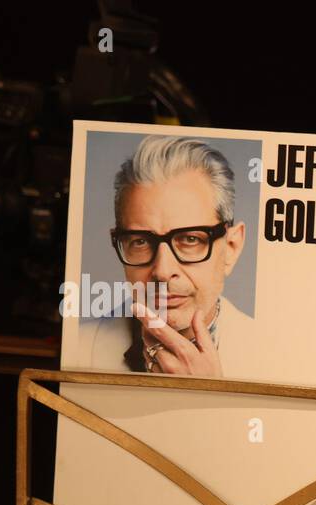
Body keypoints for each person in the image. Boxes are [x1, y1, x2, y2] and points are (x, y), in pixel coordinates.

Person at [81, 135, 256, 376]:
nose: (162, 271)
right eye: (141, 241)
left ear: (232, 247)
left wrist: (208, 397)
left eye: (190, 239)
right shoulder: (78, 349)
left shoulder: (279, 357)